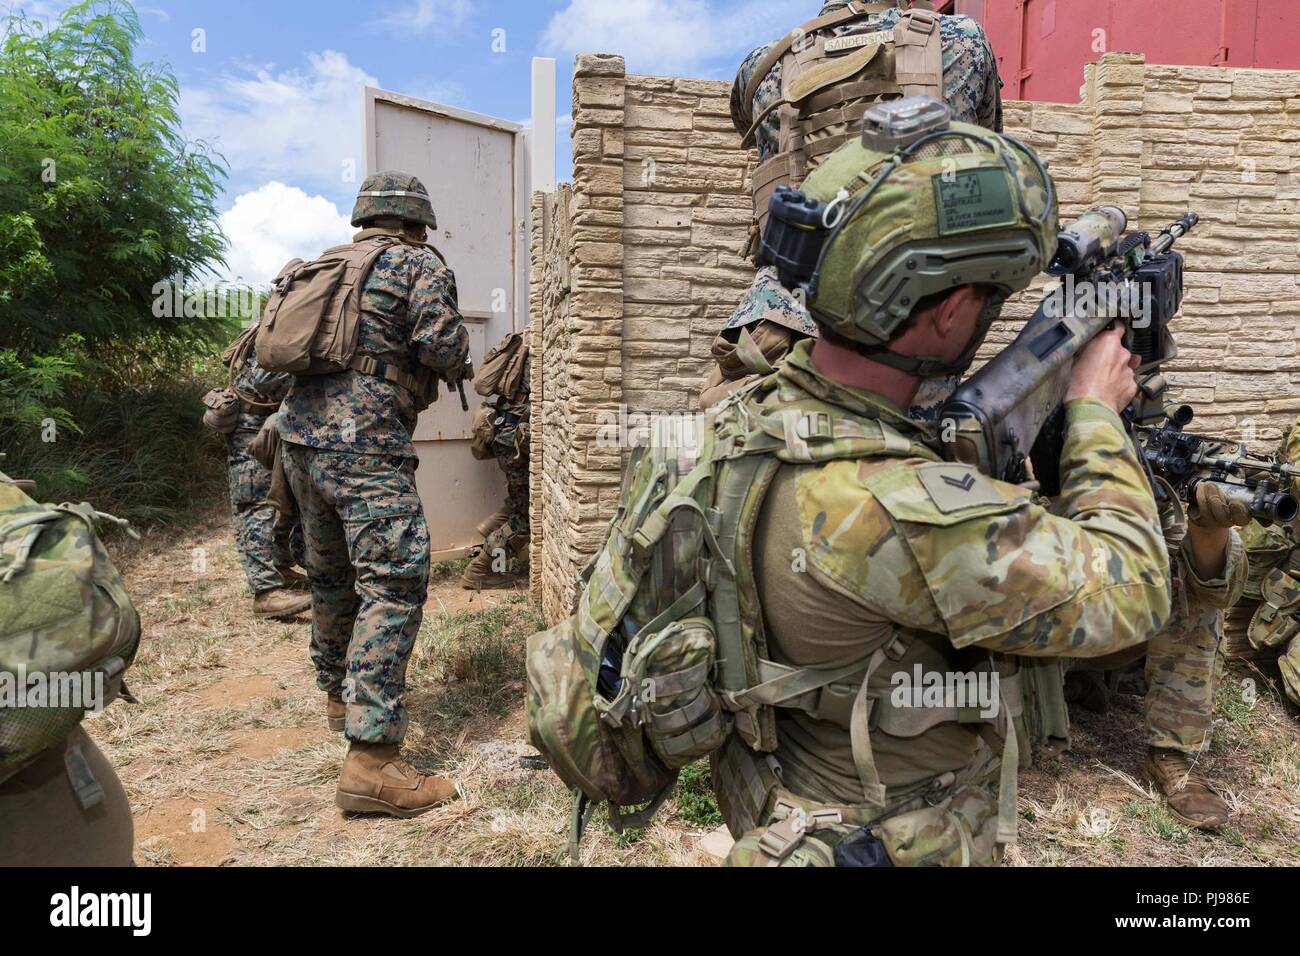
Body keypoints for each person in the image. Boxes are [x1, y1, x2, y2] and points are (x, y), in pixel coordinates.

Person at [710, 109, 1172, 864]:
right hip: (891, 837)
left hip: (779, 797)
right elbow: (1137, 589)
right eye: (990, 300)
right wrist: (1093, 412)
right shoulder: (895, 510)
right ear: (950, 309)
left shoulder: (749, 419)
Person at [276, 171, 470, 818]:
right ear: (418, 222)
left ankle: (340, 697)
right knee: (393, 583)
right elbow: (442, 344)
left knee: (332, 579)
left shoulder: (327, 265)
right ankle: (372, 763)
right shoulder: (416, 263)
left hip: (300, 444)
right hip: (365, 448)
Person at [700, 0, 1004, 410]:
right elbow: (986, 150)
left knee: (753, 451)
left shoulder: (763, 63)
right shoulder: (962, 41)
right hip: (913, 326)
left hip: (780, 323)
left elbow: (744, 122)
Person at [1065, 485, 1248, 829]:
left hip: (1102, 629)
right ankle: (1064, 687)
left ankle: (1170, 749)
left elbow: (1219, 591)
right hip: (1029, 625)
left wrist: (1209, 530)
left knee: (1187, 580)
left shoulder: (1149, 473)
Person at [210, 343, 312, 619]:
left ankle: (279, 566)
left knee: (287, 497)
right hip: (250, 427)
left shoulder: (291, 316)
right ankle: (266, 593)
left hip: (273, 422)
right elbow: (266, 379)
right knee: (255, 504)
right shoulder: (280, 323)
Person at [462, 329, 531, 590]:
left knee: (519, 498)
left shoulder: (527, 339)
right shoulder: (543, 346)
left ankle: (486, 533)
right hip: (514, 438)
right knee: (526, 516)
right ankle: (481, 571)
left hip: (504, 431)